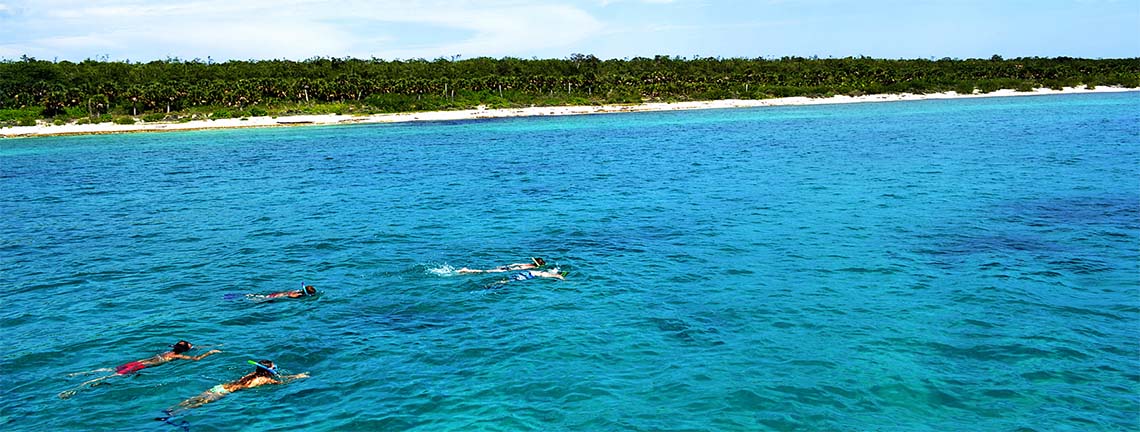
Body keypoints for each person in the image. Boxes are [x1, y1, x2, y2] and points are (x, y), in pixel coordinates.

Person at [59, 340, 221, 399]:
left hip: (137, 362)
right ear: (184, 350)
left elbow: (188, 347)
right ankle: (76, 388)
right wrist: (210, 352)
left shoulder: (169, 351)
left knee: (107, 369)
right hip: (141, 366)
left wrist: (204, 346)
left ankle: (77, 374)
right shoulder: (178, 356)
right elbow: (196, 359)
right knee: (110, 377)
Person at [159, 360, 308, 419]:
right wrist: (297, 376)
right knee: (199, 404)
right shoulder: (264, 379)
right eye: (273, 367)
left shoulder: (252, 375)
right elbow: (282, 382)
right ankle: (174, 415)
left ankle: (171, 408)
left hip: (220, 386)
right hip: (224, 392)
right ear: (269, 371)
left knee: (194, 399)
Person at [485, 267, 567, 289]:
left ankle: (493, 284)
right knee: (508, 281)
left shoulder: (541, 271)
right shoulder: (545, 274)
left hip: (524, 273)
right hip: (526, 276)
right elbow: (558, 276)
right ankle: (492, 285)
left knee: (508, 280)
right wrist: (565, 280)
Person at [230, 284, 317, 301]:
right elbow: (290, 296)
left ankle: (236, 296)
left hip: (275, 294)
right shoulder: (298, 294)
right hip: (275, 297)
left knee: (252, 296)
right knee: (254, 298)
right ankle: (235, 297)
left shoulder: (298, 291)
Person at [458, 257, 546, 274]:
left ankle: (467, 271)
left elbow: (516, 264)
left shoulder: (528, 264)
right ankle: (467, 270)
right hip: (508, 270)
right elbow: (518, 268)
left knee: (487, 271)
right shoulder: (531, 267)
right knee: (486, 271)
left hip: (508, 267)